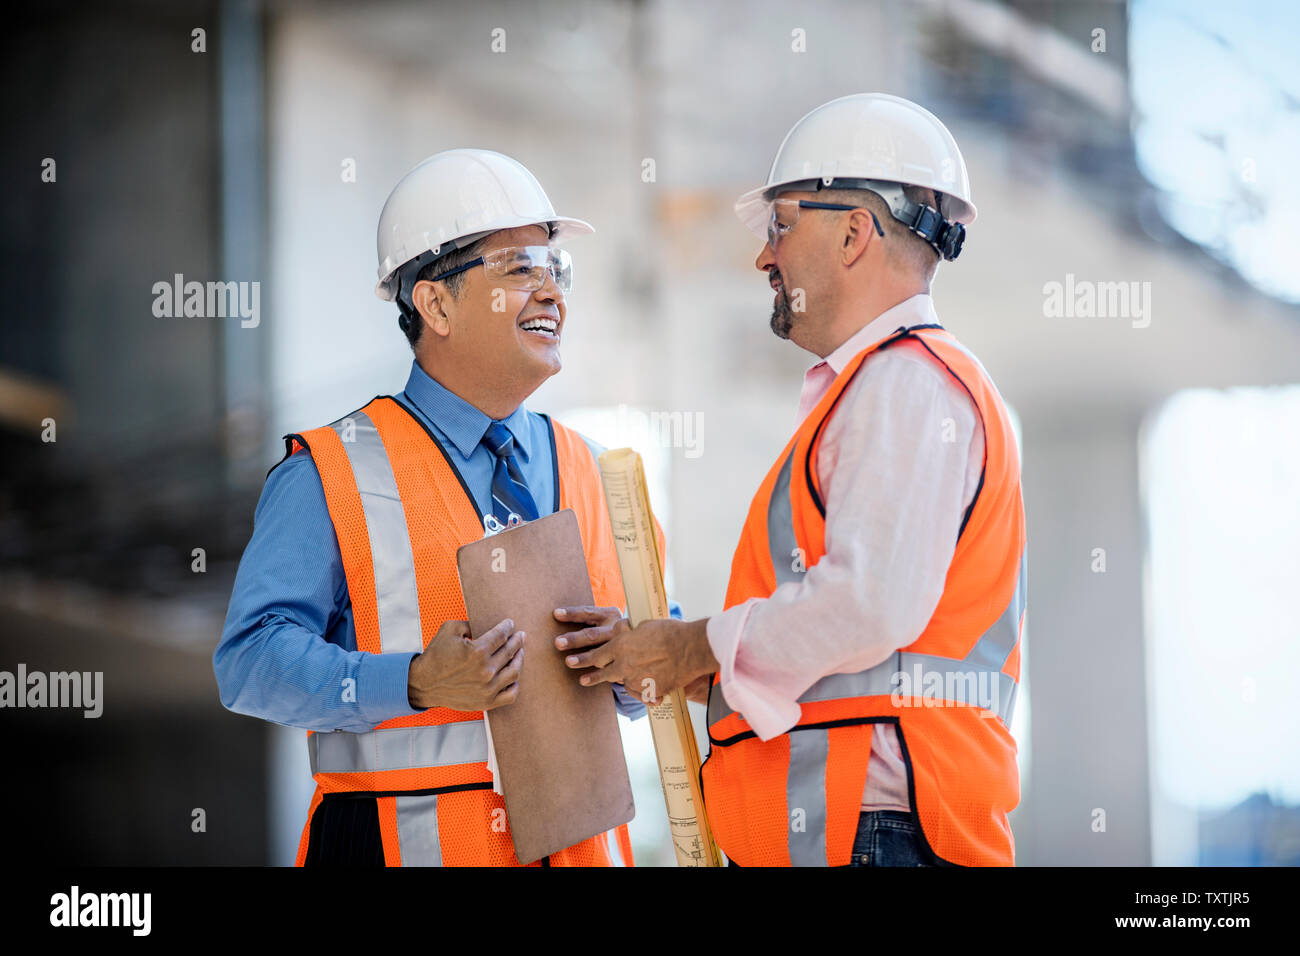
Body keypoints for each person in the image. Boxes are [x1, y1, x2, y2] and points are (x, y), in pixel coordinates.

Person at [557, 93, 1028, 866]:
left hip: (878, 833)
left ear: (853, 232)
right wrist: (679, 663)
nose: (763, 256)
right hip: (865, 831)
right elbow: (853, 664)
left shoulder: (907, 386)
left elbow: (867, 607)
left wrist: (691, 649)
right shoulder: (882, 389)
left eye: (781, 225)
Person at [215, 148, 671, 867]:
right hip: (398, 847)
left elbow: (652, 676)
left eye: (559, 270)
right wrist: (417, 682)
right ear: (435, 303)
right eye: (520, 268)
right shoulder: (331, 471)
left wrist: (635, 659)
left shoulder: (596, 470)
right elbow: (249, 664)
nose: (551, 291)